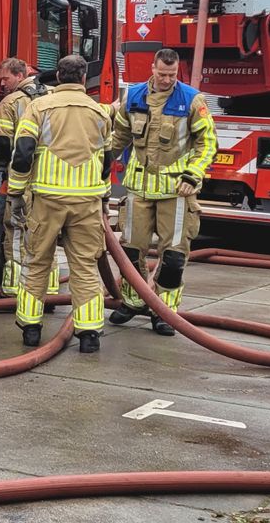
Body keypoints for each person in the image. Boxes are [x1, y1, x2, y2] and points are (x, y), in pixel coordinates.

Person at [7, 54, 112, 353]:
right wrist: (103, 197)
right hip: (86, 203)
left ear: (58, 78)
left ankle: (30, 327)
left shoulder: (38, 108)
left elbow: (23, 153)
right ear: (82, 79)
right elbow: (106, 160)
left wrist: (15, 193)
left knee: (37, 262)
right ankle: (89, 333)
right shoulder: (101, 112)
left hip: (47, 201)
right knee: (85, 267)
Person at [109, 48, 217, 335]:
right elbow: (118, 136)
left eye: (172, 74)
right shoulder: (132, 96)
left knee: (173, 257)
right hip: (139, 189)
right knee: (131, 251)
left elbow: (207, 143)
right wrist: (99, 163)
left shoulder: (192, 100)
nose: (167, 79)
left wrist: (193, 175)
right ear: (153, 68)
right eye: (162, 73)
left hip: (176, 192)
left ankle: (165, 312)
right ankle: (133, 303)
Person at [0, 57, 59, 296]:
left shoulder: (11, 102)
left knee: (16, 229)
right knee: (46, 233)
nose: (3, 84)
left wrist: (5, 174)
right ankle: (48, 289)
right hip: (52, 180)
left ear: (20, 76)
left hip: (22, 179)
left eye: (6, 78)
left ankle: (15, 288)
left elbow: (1, 145)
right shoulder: (54, 96)